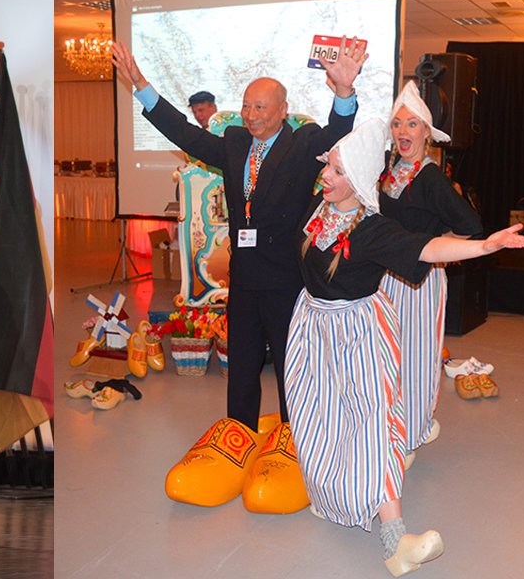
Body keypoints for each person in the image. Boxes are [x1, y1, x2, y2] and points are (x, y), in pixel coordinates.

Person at [110, 40, 364, 511]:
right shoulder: (233, 142)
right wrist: (141, 84)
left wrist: (344, 91)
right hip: (243, 276)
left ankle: (294, 443)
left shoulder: (303, 143)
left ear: (282, 110)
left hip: (286, 279)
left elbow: (339, 132)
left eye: (260, 107)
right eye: (246, 106)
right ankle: (240, 441)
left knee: (290, 367)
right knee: (242, 364)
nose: (250, 115)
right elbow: (184, 132)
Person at [286, 119, 524, 576]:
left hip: (359, 334)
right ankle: (330, 497)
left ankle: (395, 540)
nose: (326, 176)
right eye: (328, 167)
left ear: (357, 179)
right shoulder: (317, 211)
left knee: (376, 424)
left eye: (337, 171)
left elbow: (428, 249)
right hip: (312, 328)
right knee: (317, 417)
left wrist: (485, 246)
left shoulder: (372, 229)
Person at [380, 81, 484, 460]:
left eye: (412, 124)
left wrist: (436, 249)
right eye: (397, 124)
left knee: (418, 358)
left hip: (420, 283)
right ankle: (395, 426)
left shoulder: (431, 178)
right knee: (389, 356)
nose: (403, 131)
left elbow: (471, 225)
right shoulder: (391, 171)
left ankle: (412, 434)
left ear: (427, 132)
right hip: (387, 279)